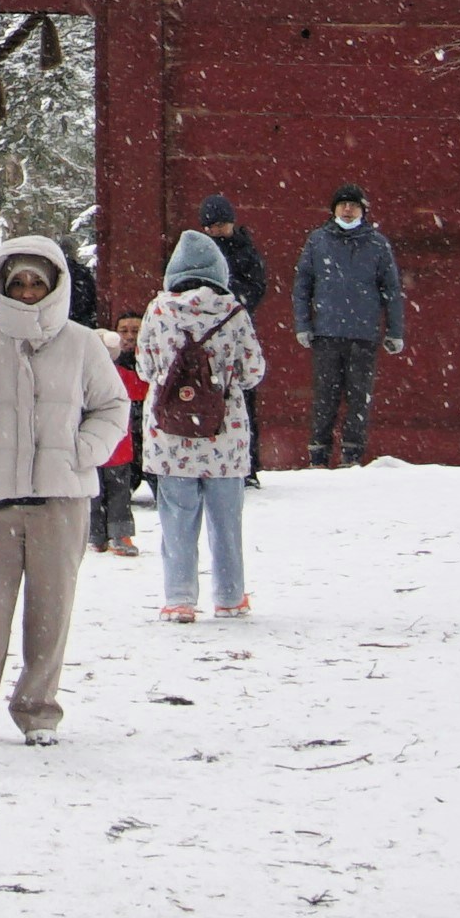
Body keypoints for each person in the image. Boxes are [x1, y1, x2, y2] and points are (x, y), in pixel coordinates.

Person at [0, 237, 110, 744]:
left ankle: (38, 710)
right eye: (18, 283)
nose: (28, 292)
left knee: (50, 614)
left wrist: (83, 450)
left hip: (61, 500)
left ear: (54, 285)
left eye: (37, 282)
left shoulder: (82, 344)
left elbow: (111, 406)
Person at [137, 233, 267, 620]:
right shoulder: (233, 311)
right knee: (226, 521)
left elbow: (145, 367)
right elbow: (253, 371)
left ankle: (179, 598)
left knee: (176, 518)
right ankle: (229, 596)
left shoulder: (158, 310)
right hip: (222, 434)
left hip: (170, 433)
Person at [296, 185, 408, 468]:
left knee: (359, 396)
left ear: (363, 210)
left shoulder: (377, 244)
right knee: (325, 396)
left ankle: (352, 455)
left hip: (363, 334)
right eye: (343, 204)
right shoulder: (317, 241)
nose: (348, 209)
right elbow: (302, 286)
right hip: (327, 333)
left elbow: (391, 290)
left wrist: (395, 331)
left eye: (353, 205)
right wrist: (303, 324)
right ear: (333, 210)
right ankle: (318, 455)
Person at [188, 194, 274, 477]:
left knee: (242, 399)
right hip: (203, 336)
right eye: (210, 226)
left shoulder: (245, 250)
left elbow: (256, 288)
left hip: (235, 331)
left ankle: (248, 466)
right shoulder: (197, 252)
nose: (216, 231)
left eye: (221, 225)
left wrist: (228, 298)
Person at [86, 309, 148, 558]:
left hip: (94, 445)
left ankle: (96, 535)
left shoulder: (83, 375)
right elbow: (141, 390)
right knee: (118, 493)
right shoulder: (121, 374)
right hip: (118, 446)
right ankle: (119, 535)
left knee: (95, 494)